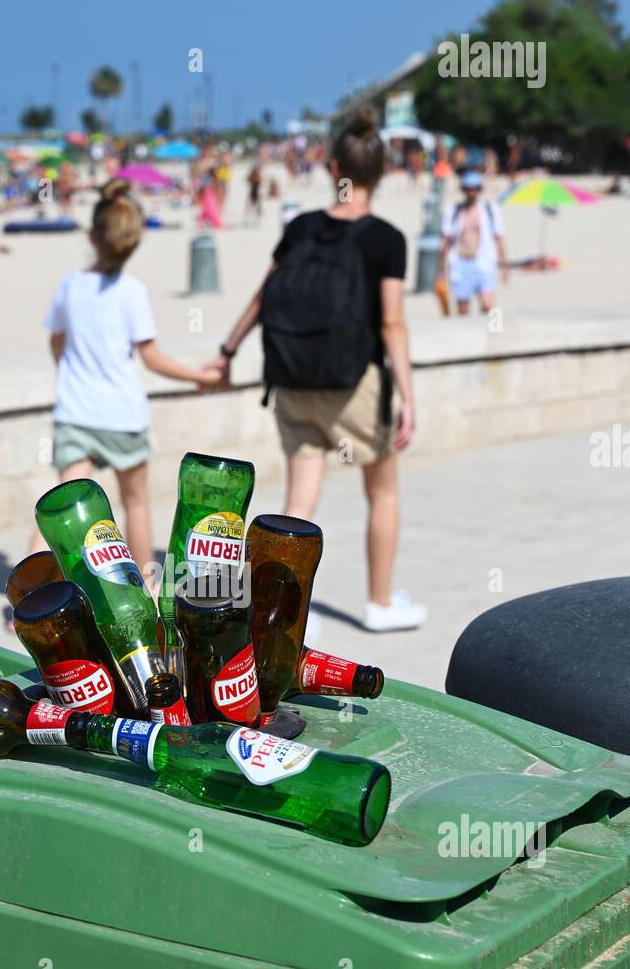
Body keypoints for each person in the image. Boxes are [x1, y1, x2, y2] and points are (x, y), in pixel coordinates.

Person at [213, 108, 425, 633]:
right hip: (354, 385)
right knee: (382, 490)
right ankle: (379, 603)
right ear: (383, 171)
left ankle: (286, 616)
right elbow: (392, 322)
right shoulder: (386, 239)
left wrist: (227, 349)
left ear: (333, 168)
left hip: (292, 379)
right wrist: (408, 394)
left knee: (299, 501)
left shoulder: (301, 227)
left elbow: (263, 296)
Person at [29, 178, 223, 576]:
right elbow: (151, 358)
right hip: (122, 416)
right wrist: (198, 376)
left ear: (92, 236)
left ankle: (33, 590)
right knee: (135, 502)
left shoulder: (70, 286)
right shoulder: (133, 291)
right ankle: (145, 582)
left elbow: (56, 342)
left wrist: (70, 371)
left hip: (76, 413)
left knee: (63, 504)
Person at [439, 171, 509, 315]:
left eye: (475, 188)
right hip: (461, 263)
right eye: (468, 188)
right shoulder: (453, 211)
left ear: (479, 190)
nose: (471, 192)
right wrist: (441, 271)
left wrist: (504, 266)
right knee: (463, 309)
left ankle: (486, 329)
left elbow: (499, 239)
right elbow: (445, 242)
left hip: (485, 262)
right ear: (463, 189)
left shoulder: (490, 210)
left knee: (487, 305)